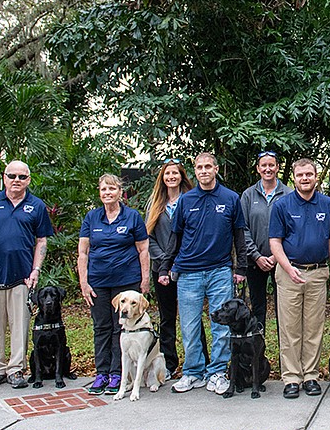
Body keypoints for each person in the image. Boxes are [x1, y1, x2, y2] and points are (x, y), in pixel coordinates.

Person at [167, 152, 247, 396]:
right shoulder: (186, 200)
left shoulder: (231, 198)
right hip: (188, 272)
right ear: (195, 170)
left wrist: (241, 267)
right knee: (190, 326)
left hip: (220, 270)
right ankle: (193, 372)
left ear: (216, 168)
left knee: (221, 326)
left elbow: (239, 235)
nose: (204, 171)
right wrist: (166, 266)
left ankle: (217, 373)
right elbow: (176, 237)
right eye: (199, 167)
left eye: (208, 167)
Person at [0, 160, 54, 390]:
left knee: (20, 327)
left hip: (22, 278)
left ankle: (16, 370)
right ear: (4, 178)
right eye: (12, 176)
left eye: (22, 177)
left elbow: (42, 241)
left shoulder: (36, 206)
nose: (16, 180)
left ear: (28, 179)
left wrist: (36, 270)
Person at [269, 158, 330, 399]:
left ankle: (311, 375)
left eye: (309, 174)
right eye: (300, 175)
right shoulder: (282, 205)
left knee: (313, 328)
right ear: (294, 177)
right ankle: (291, 378)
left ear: (316, 176)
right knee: (290, 329)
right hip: (290, 273)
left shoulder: (328, 205)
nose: (305, 178)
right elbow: (275, 242)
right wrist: (288, 268)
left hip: (318, 272)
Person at [78, 174, 151, 395]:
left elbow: (143, 249)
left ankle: (118, 374)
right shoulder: (92, 218)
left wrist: (145, 280)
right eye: (103, 190)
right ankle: (101, 373)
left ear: (120, 192)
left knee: (121, 327)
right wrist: (84, 281)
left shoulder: (132, 217)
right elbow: (83, 252)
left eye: (112, 189)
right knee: (101, 327)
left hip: (126, 282)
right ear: (99, 193)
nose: (107, 193)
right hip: (98, 282)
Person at [144, 158, 195, 377]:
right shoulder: (155, 204)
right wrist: (164, 261)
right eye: (167, 174)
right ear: (162, 178)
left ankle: (198, 361)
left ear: (182, 176)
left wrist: (179, 260)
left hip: (187, 267)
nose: (171, 177)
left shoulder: (192, 200)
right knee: (167, 318)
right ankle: (169, 362)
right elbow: (148, 237)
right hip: (161, 269)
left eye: (175, 173)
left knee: (191, 317)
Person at [239, 151, 291, 333]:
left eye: (271, 165)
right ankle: (257, 355)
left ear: (277, 168)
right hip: (255, 262)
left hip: (283, 263)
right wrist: (256, 256)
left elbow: (292, 229)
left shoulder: (289, 194)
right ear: (258, 169)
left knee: (284, 311)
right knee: (258, 309)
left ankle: (285, 358)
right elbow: (242, 228)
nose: (268, 169)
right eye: (264, 165)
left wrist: (277, 256)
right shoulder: (247, 195)